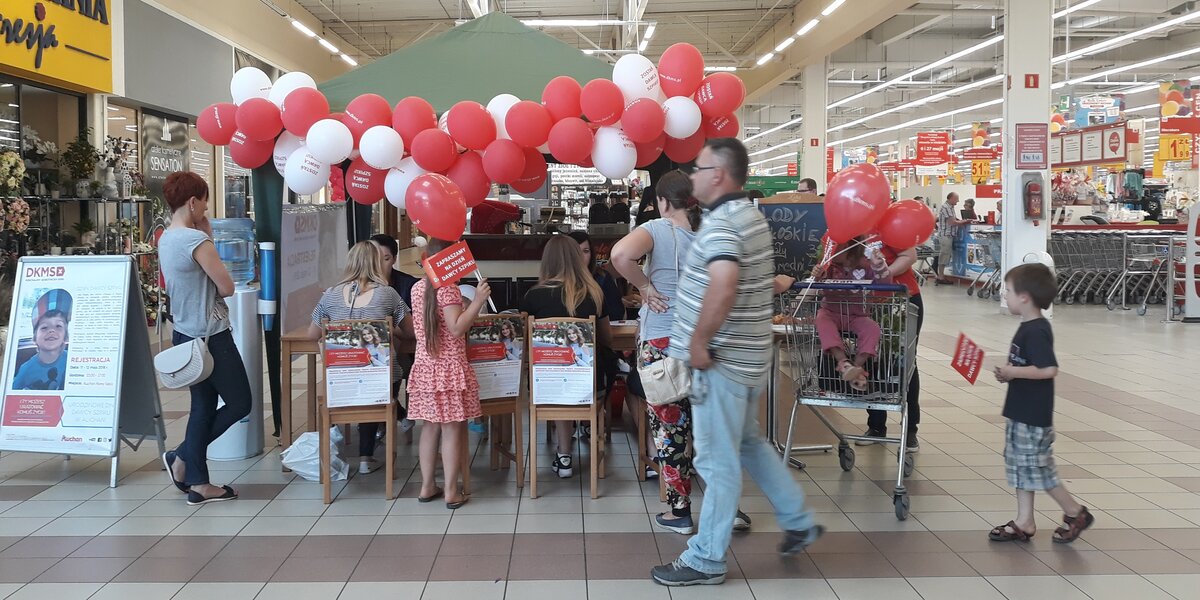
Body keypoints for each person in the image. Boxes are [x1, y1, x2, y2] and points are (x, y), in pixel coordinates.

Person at [651, 138, 822, 587]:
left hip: (722, 362)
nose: (692, 175)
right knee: (748, 444)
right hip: (748, 356)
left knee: (715, 461)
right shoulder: (750, 215)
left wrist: (700, 342)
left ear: (719, 175)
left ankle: (705, 559)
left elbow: (724, 284)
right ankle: (797, 518)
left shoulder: (726, 221)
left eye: (699, 167)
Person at [158, 171, 252, 506]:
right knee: (241, 402)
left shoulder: (165, 238)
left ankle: (197, 481)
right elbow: (227, 287)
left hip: (184, 334)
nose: (206, 208)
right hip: (211, 336)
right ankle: (184, 456)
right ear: (193, 202)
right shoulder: (196, 241)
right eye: (205, 201)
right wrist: (209, 237)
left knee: (202, 407)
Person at [989, 264, 1094, 544]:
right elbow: (1028, 365)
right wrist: (1008, 373)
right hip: (1021, 410)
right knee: (1021, 467)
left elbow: (1048, 369)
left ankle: (1075, 512)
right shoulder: (1027, 327)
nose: (1005, 294)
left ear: (1025, 297)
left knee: (1039, 469)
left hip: (1032, 416)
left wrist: (1013, 372)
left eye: (1008, 290)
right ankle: (1025, 521)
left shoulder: (1036, 330)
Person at [309, 241, 414, 474]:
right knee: (379, 375)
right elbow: (411, 331)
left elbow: (312, 333)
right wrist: (387, 329)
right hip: (379, 382)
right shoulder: (388, 294)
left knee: (362, 376)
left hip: (339, 380)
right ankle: (367, 455)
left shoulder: (330, 295)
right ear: (377, 263)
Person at [406, 238, 491, 509]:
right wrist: (477, 301)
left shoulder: (418, 288)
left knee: (429, 428)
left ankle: (427, 485)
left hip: (424, 366)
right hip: (449, 368)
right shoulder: (450, 291)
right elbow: (456, 328)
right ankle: (451, 491)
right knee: (452, 429)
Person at [520, 235, 612, 479]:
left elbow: (527, 344)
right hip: (591, 385)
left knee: (559, 380)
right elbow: (608, 339)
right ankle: (594, 439)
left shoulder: (533, 296)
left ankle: (564, 455)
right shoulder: (594, 293)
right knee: (579, 377)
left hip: (547, 386)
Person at [860, 240, 924, 451]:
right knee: (873, 359)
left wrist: (882, 276)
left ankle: (910, 429)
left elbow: (909, 255)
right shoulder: (853, 228)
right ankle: (876, 426)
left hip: (902, 298)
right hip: (870, 302)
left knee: (904, 363)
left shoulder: (888, 224)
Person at [812, 237, 892, 391]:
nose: (831, 251)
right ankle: (844, 362)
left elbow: (885, 284)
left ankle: (856, 367)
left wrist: (879, 266)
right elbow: (816, 281)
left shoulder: (867, 266)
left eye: (836, 247)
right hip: (830, 310)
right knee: (822, 321)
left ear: (848, 247)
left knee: (872, 329)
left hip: (858, 315)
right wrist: (818, 274)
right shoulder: (829, 266)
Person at [13, 308, 69, 391]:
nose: (51, 330)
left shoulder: (71, 359)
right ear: (35, 338)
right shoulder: (26, 369)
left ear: (65, 337)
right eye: (44, 327)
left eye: (58, 326)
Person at [934, 192, 970, 284]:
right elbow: (952, 222)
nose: (958, 201)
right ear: (951, 198)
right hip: (946, 235)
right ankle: (940, 277)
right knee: (944, 255)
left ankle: (941, 276)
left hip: (948, 235)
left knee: (945, 255)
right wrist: (963, 221)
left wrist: (959, 220)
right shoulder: (946, 207)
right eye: (956, 199)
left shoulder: (950, 208)